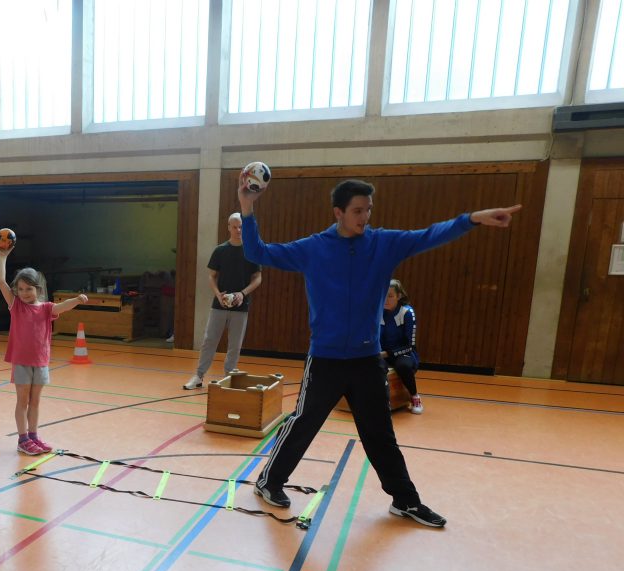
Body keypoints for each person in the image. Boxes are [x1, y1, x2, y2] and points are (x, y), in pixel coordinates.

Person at [240, 177, 521, 528]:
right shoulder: (314, 248)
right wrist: (247, 206)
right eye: (358, 210)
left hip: (367, 360)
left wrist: (473, 218)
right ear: (338, 212)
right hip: (326, 359)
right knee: (303, 424)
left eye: (368, 209)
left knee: (380, 434)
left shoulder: (383, 244)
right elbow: (258, 252)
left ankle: (405, 501)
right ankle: (269, 481)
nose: (365, 217)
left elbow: (429, 235)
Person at [0, 247, 87, 456]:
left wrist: (76, 300)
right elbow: (1, 281)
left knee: (35, 400)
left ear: (38, 288)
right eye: (21, 289)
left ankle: (34, 436)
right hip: (21, 361)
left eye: (29, 288)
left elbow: (61, 307)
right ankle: (22, 439)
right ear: (16, 291)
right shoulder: (16, 306)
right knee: (22, 399)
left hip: (41, 361)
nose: (25, 293)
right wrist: (2, 257)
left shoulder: (46, 308)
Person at [183, 213, 262, 389]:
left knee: (235, 345)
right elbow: (211, 276)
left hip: (241, 307)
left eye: (241, 226)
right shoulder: (220, 250)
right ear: (228, 227)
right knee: (209, 341)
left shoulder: (250, 251)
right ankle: (198, 376)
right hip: (219, 305)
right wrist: (218, 294)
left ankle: (229, 378)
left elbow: (257, 277)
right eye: (234, 227)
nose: (238, 230)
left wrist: (242, 293)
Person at [382, 279, 423, 414]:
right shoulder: (377, 312)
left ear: (399, 296)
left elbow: (410, 345)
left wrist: (387, 353)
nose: (386, 299)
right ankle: (382, 400)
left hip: (403, 353)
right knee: (372, 366)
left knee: (403, 366)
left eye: (390, 296)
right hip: (382, 353)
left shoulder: (407, 313)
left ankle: (414, 396)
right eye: (384, 295)